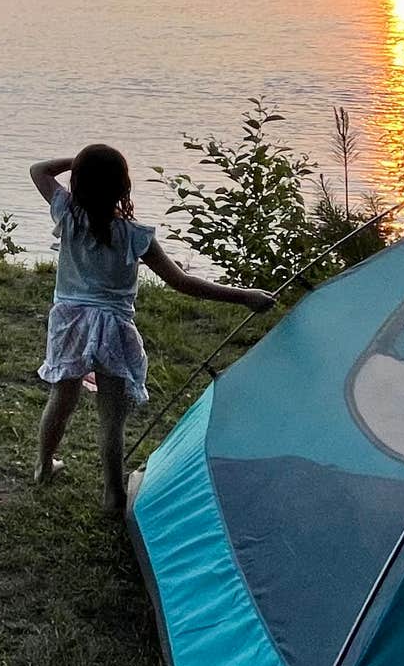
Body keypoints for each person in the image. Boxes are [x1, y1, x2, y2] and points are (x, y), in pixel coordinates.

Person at [30, 144, 275, 513]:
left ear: (76, 182)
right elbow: (183, 282)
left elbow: (39, 169)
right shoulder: (134, 235)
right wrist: (244, 297)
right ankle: (113, 493)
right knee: (112, 417)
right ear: (123, 188)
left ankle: (44, 465)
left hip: (71, 324)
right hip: (114, 328)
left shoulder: (67, 214)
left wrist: (75, 162)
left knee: (62, 399)